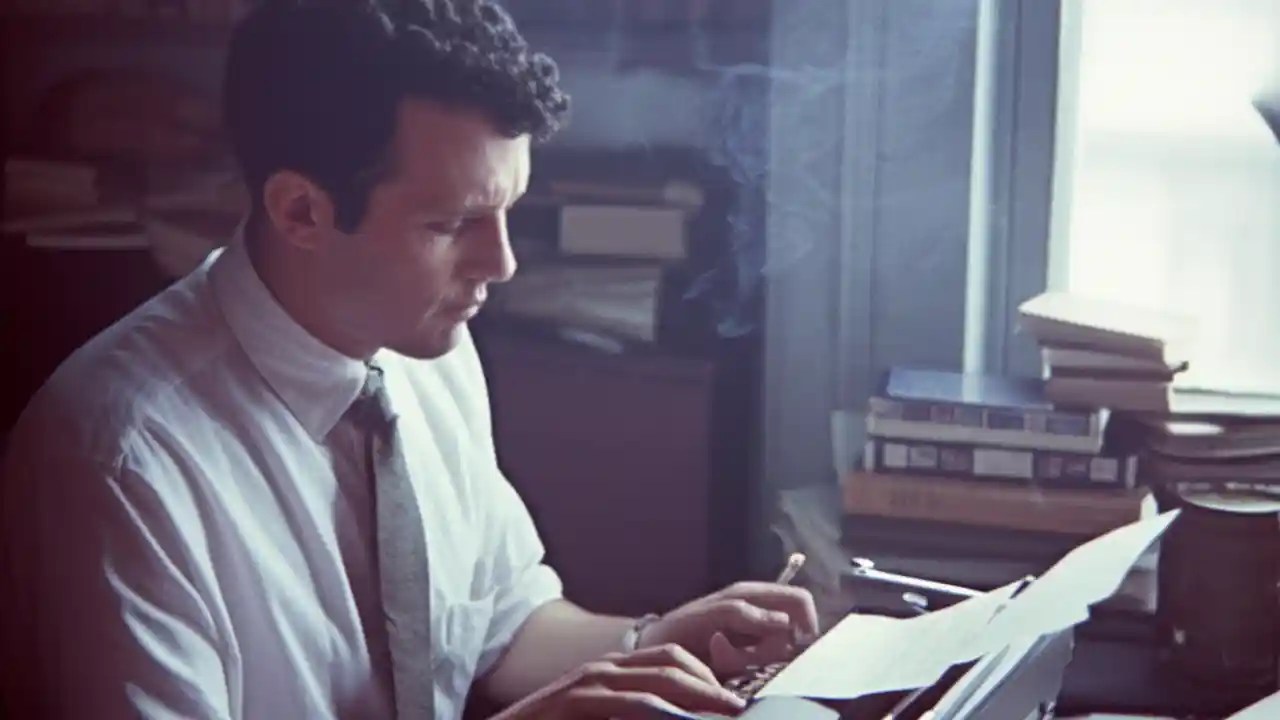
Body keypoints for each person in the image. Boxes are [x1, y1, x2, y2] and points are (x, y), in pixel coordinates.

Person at [0, 1, 818, 718]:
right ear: (300, 210)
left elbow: (499, 622)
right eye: (450, 224)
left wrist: (654, 643)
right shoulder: (119, 466)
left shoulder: (424, 349)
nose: (501, 264)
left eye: (507, 211)